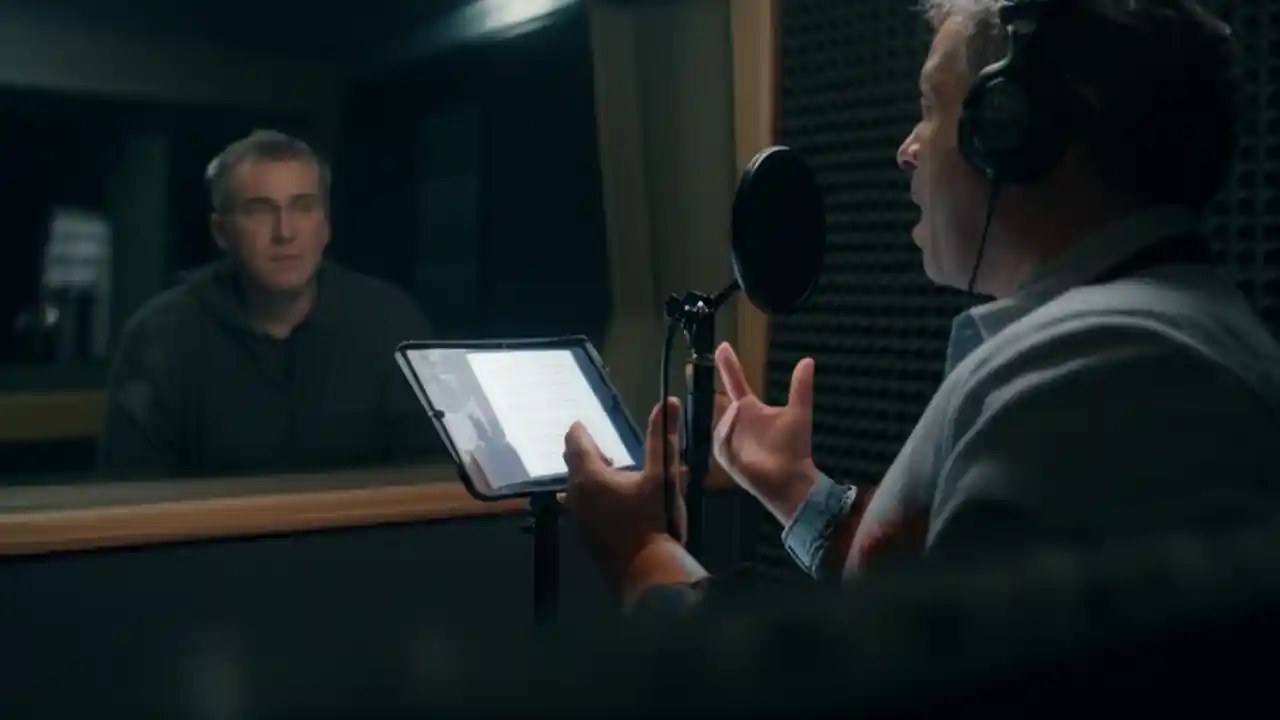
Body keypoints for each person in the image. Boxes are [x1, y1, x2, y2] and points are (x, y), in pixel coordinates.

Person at [562, 0, 1280, 612]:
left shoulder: (1109, 368)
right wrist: (796, 490)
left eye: (932, 106)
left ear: (1014, 130)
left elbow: (886, 684)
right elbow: (933, 592)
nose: (908, 150)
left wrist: (641, 556)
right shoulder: (1135, 343)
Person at [99, 130, 441, 478]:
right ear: (221, 232)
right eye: (260, 210)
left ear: (324, 226)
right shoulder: (161, 335)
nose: (284, 232)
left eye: (303, 207)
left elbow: (431, 473)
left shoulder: (390, 321)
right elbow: (129, 486)